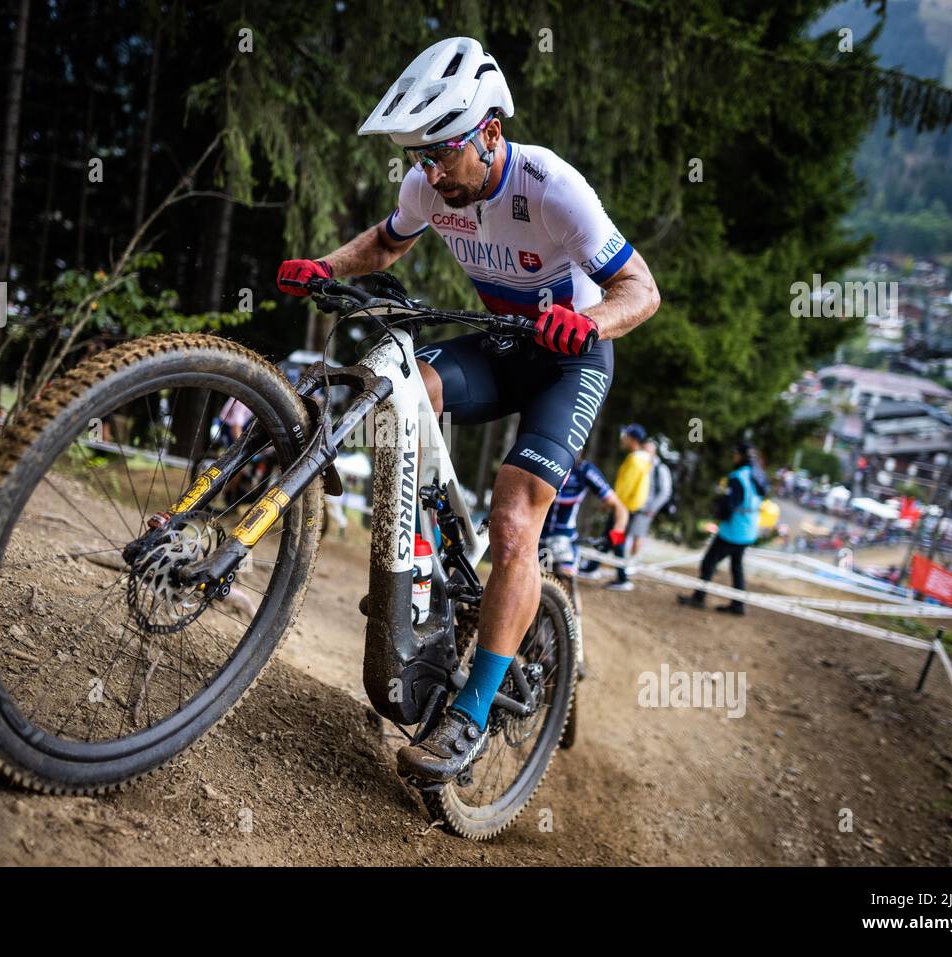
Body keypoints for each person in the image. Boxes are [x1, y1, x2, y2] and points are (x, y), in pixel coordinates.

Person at [276, 37, 660, 781]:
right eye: (420, 156)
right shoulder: (431, 185)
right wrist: (325, 268)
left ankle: (471, 716)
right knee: (402, 390)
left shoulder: (552, 186)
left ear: (489, 131)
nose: (430, 171)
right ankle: (419, 570)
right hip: (503, 345)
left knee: (516, 519)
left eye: (443, 153)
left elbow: (640, 290)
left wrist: (590, 323)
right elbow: (385, 246)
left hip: (571, 360)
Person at [678, 440, 769, 615]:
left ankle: (699, 597)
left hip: (734, 529)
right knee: (737, 566)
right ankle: (738, 604)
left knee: (709, 562)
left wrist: (718, 515)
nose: (733, 456)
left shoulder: (738, 477)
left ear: (741, 456)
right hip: (749, 528)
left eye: (736, 453)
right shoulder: (757, 474)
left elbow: (729, 505)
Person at [540, 458, 626, 620]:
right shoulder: (544, 456)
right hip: (536, 535)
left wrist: (615, 537)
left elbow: (620, 508)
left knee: (567, 584)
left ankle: (574, 633)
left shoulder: (584, 470)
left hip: (564, 539)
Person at [605, 423, 652, 591]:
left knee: (616, 539)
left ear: (633, 439)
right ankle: (594, 566)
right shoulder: (641, 460)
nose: (622, 439)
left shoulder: (635, 461)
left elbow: (626, 487)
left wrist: (613, 503)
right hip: (626, 507)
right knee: (610, 537)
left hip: (623, 508)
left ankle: (622, 577)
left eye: (625, 436)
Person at [626, 437, 672, 562]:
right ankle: (615, 555)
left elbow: (665, 492)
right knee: (620, 530)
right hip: (630, 505)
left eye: (648, 448)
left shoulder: (660, 469)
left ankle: (632, 561)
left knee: (637, 535)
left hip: (645, 508)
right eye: (644, 448)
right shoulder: (639, 463)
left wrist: (651, 508)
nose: (645, 451)